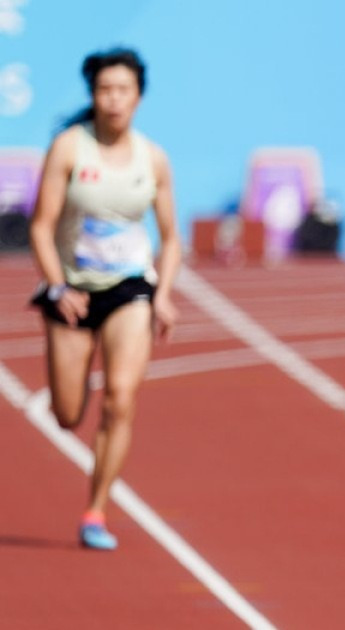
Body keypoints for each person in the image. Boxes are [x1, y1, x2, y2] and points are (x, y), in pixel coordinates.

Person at [27, 48, 181, 551]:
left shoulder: (152, 158)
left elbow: (172, 237)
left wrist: (161, 295)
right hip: (72, 289)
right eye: (104, 90)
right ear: (93, 95)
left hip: (130, 287)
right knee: (69, 414)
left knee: (120, 401)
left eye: (124, 90)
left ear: (139, 96)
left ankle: (96, 510)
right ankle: (79, 373)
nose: (114, 100)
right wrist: (56, 286)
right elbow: (42, 227)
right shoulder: (71, 148)